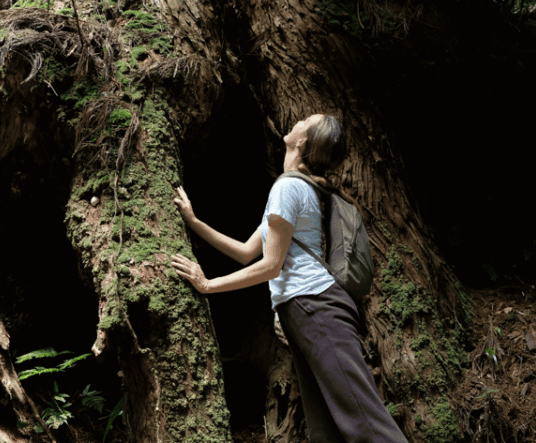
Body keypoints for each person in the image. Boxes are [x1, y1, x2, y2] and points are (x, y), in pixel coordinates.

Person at [170, 114, 408, 443]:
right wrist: (194, 222)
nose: (300, 118)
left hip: (317, 309)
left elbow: (270, 265)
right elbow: (245, 251)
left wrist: (208, 284)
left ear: (303, 142)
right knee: (326, 430)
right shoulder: (301, 188)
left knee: (367, 423)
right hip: (308, 311)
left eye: (307, 120)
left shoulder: (288, 186)